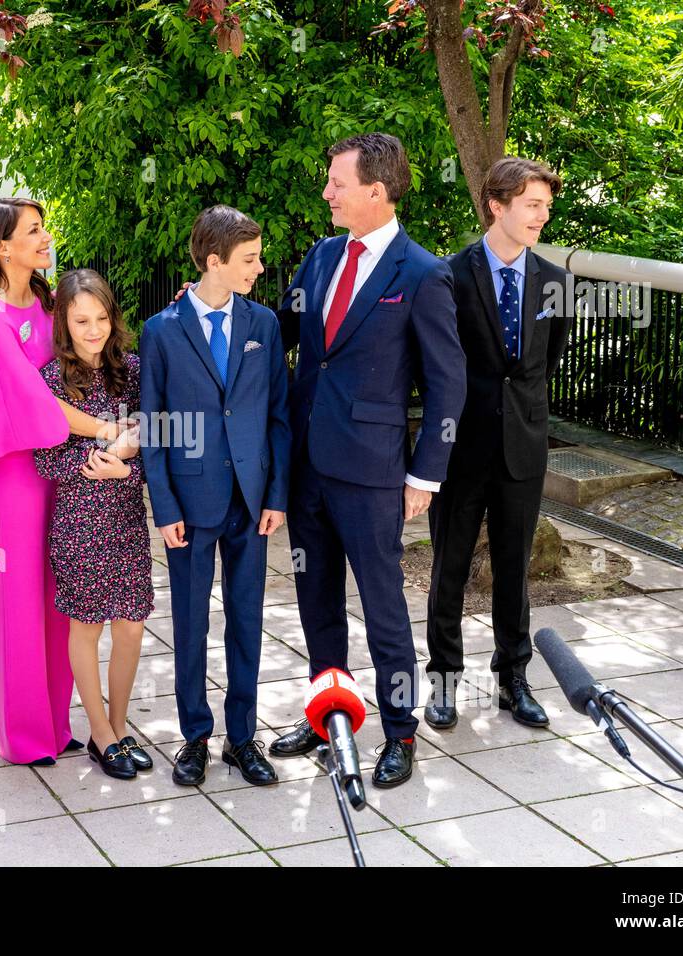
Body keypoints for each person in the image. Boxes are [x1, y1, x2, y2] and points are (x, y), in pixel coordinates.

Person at [269, 133, 466, 788]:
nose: (327, 192)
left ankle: (401, 732)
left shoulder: (424, 273)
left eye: (337, 183)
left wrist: (426, 474)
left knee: (384, 609)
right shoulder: (322, 256)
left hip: (375, 472)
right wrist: (215, 300)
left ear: (375, 192)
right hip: (307, 464)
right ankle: (331, 714)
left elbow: (447, 382)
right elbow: (283, 334)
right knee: (316, 602)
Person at [0, 198, 138, 766]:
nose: (45, 239)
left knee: (61, 605)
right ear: (2, 247)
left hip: (66, 476)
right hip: (15, 473)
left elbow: (88, 355)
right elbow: (43, 403)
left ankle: (62, 724)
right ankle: (25, 735)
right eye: (33, 231)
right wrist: (114, 431)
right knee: (18, 601)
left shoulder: (47, 302)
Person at [140, 205, 291, 788]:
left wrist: (276, 494)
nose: (258, 267)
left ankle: (242, 737)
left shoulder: (265, 325)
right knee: (190, 622)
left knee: (247, 620)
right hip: (190, 505)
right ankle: (195, 737)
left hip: (252, 505)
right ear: (213, 262)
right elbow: (152, 426)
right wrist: (166, 506)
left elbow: (277, 416)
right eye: (249, 259)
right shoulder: (161, 331)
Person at [424, 157, 570, 731]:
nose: (542, 216)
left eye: (546, 207)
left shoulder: (556, 281)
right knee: (449, 569)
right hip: (459, 449)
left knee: (515, 569)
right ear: (497, 205)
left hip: (523, 448)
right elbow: (435, 366)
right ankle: (443, 684)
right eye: (532, 205)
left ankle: (514, 679)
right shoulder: (448, 275)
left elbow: (542, 362)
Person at [34, 269, 154, 780]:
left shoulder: (134, 370)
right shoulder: (49, 381)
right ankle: (99, 733)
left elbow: (156, 435)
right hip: (79, 523)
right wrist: (94, 460)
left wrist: (129, 465)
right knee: (87, 626)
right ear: (63, 319)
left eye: (101, 318)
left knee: (131, 626)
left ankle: (120, 725)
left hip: (126, 518)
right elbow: (43, 458)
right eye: (81, 320)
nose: (93, 329)